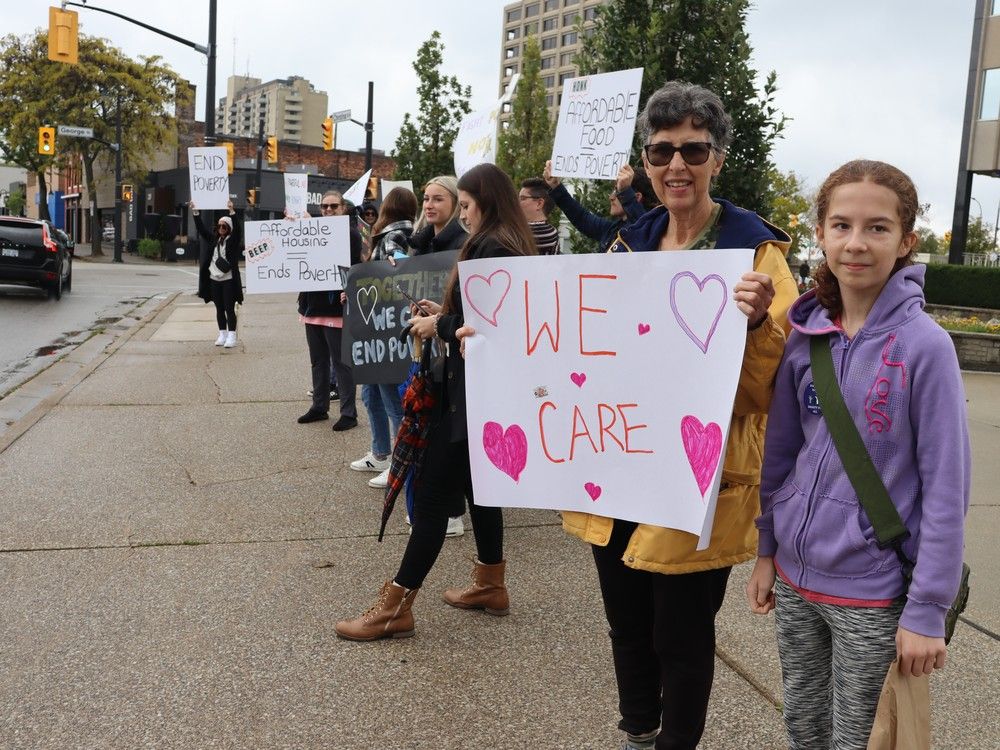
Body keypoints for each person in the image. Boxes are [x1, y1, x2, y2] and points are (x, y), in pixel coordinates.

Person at [558, 81, 797, 750]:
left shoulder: (756, 255)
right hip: (618, 461)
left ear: (718, 158)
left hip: (696, 473)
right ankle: (639, 728)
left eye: (694, 150)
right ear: (646, 157)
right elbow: (577, 346)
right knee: (626, 621)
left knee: (682, 634)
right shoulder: (626, 246)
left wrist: (753, 328)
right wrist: (493, 347)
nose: (676, 167)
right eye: (662, 151)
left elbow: (771, 392)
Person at [746, 160, 970, 749]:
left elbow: (947, 488)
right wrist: (767, 548)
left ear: (905, 241)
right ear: (819, 233)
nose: (856, 243)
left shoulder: (927, 347)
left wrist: (927, 608)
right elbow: (781, 453)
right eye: (841, 225)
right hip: (795, 578)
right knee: (803, 724)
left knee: (860, 739)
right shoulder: (806, 337)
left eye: (877, 228)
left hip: (873, 587)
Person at [335, 163, 537, 641]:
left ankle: (396, 606)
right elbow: (485, 319)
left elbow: (491, 330)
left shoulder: (491, 245)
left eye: (466, 205)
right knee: (480, 491)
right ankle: (492, 584)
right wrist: (445, 314)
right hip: (482, 393)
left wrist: (437, 326)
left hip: (467, 396)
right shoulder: (507, 241)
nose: (463, 214)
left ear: (485, 201)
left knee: (429, 500)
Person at [351, 187, 417, 489]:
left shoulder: (392, 236)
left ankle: (394, 461)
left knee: (388, 398)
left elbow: (398, 272)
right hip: (380, 326)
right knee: (371, 393)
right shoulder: (406, 233)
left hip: (384, 329)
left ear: (388, 208)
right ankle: (381, 453)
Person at [297, 190, 361, 431]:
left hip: (335, 306)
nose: (328, 210)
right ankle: (319, 406)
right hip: (311, 305)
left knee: (341, 362)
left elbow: (352, 265)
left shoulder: (351, 234)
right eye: (324, 206)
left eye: (334, 206)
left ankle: (348, 412)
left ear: (343, 208)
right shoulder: (311, 230)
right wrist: (295, 225)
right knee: (318, 360)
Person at [543, 160, 652, 253]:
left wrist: (625, 191)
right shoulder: (611, 230)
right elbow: (582, 217)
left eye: (618, 190)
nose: (611, 197)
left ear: (636, 197)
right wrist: (556, 186)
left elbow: (642, 225)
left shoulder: (651, 228)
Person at [191, 199, 243, 348]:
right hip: (214, 279)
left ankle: (232, 335)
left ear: (229, 228)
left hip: (228, 279)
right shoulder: (214, 239)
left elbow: (238, 229)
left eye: (224, 226)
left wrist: (232, 212)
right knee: (219, 308)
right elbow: (201, 229)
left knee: (229, 307)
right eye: (219, 226)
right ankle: (222, 333)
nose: (221, 228)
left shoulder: (232, 241)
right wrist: (195, 212)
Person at [408, 175, 468, 255]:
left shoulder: (467, 244)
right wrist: (393, 263)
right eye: (426, 199)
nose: (428, 206)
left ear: (456, 203)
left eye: (438, 199)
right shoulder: (420, 243)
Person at [518, 177, 560, 254]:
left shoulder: (518, 233)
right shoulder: (553, 232)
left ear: (539, 203)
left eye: (522, 198)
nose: (517, 203)